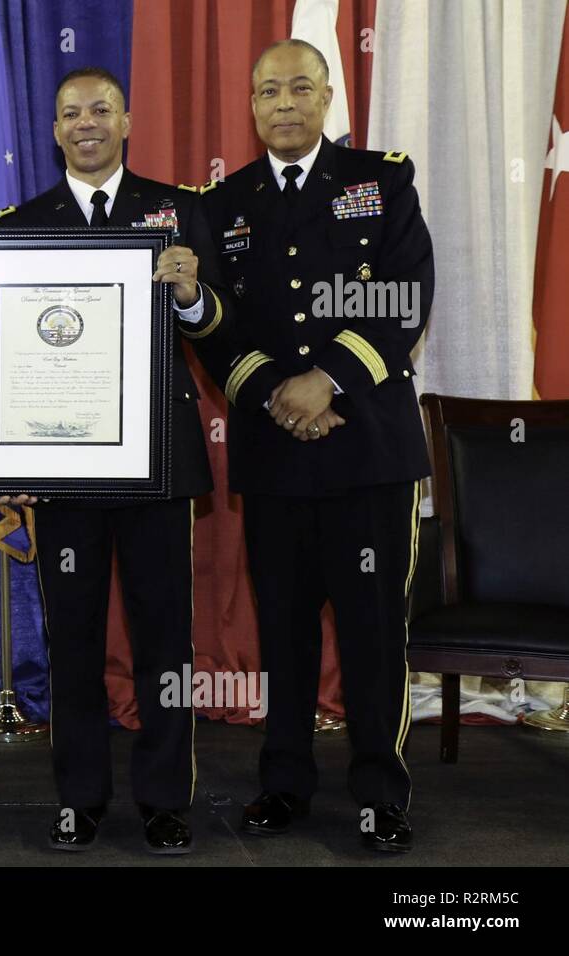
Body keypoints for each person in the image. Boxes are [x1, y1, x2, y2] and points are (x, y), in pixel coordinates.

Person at [200, 38, 434, 853]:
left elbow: (406, 298)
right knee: (285, 631)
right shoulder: (225, 202)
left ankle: (380, 795)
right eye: (269, 91)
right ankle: (284, 783)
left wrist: (326, 381)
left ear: (327, 95)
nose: (285, 103)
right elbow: (217, 329)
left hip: (369, 449)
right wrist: (279, 393)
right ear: (253, 106)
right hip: (275, 452)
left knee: (373, 632)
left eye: (301, 87)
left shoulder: (381, 179)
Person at [0, 66, 237, 855]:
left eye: (101, 109)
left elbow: (214, 330)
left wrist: (191, 296)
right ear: (55, 129)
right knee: (71, 638)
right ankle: (79, 797)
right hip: (63, 462)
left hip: (158, 462)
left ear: (127, 121)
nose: (87, 123)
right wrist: (11, 453)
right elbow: (3, 352)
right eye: (71, 113)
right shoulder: (20, 224)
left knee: (165, 638)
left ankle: (166, 797)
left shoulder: (179, 211)